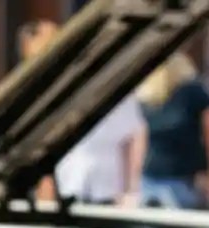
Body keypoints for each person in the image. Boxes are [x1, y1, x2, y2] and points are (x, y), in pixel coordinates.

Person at [21, 20, 146, 206]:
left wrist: (130, 189)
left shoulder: (114, 86)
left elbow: (135, 134)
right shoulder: (45, 93)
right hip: (66, 188)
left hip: (107, 191)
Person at [137, 52, 209, 210]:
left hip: (184, 182)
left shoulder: (192, 93)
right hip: (150, 181)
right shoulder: (147, 97)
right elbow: (141, 140)